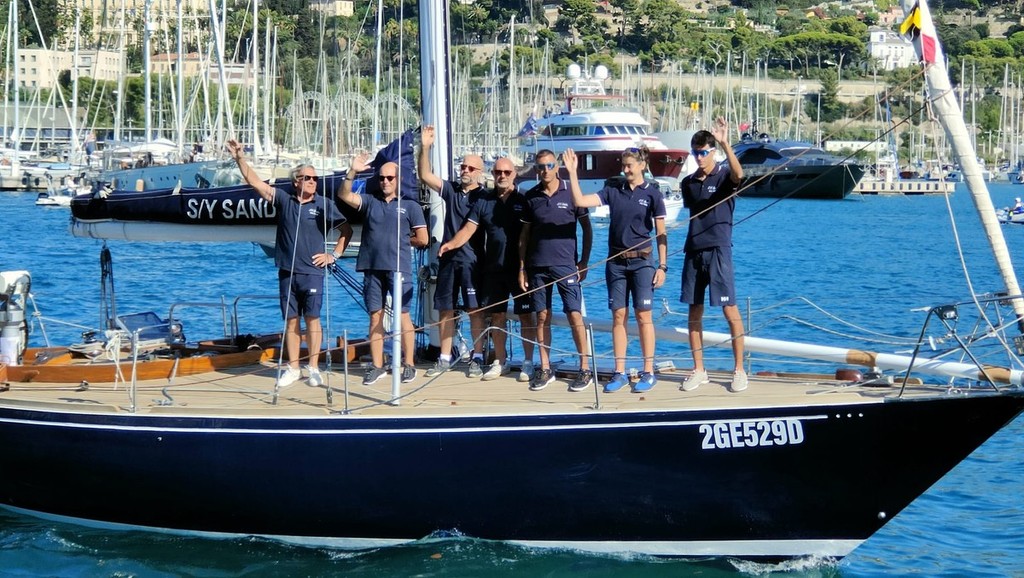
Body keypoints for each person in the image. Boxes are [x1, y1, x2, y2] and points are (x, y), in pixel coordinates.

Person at [227, 139, 352, 388]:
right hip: (287, 271)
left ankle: (313, 367)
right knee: (291, 321)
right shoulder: (285, 201)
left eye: (315, 179)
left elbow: (346, 231)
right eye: (307, 178)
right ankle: (293, 367)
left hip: (313, 272)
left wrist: (333, 255)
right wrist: (240, 157)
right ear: (297, 181)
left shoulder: (324, 205)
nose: (312, 182)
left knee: (313, 320)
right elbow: (255, 183)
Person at [565, 147, 667, 393]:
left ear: (641, 164)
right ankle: (619, 372)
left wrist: (662, 266)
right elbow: (581, 201)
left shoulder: (653, 194)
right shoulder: (613, 191)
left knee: (644, 315)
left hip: (643, 262)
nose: (626, 169)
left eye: (630, 165)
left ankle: (648, 371)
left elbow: (661, 233)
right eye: (624, 165)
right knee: (618, 316)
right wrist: (572, 173)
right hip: (616, 264)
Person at [439, 157, 537, 381]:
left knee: (525, 316)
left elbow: (530, 235)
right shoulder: (484, 201)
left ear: (514, 174)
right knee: (497, 316)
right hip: (493, 268)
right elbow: (469, 229)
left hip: (519, 269)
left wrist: (527, 266)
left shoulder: (523, 201)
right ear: (492, 174)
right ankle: (499, 361)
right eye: (497, 172)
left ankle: (529, 362)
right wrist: (451, 244)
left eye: (506, 172)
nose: (502, 176)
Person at [337, 156, 428, 385]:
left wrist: (402, 241)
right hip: (372, 268)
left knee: (403, 315)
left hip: (399, 269)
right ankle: (377, 366)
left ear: (398, 180)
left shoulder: (410, 207)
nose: (385, 181)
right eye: (382, 178)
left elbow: (423, 238)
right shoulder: (369, 201)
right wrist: (352, 172)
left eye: (390, 178)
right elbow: (344, 195)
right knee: (374, 316)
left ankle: (409, 364)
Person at [678, 117, 747, 393]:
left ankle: (739, 369)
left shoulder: (723, 176)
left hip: (719, 249)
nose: (699, 157)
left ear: (713, 152)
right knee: (694, 311)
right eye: (695, 152)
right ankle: (699, 369)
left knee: (730, 309)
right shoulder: (688, 183)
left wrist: (726, 143)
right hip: (693, 249)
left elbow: (739, 176)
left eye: (704, 152)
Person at [518, 149, 593, 392]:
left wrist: (584, 260)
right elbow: (524, 237)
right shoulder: (531, 197)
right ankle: (546, 367)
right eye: (541, 167)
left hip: (566, 265)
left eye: (549, 165)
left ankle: (584, 367)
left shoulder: (571, 192)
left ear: (557, 166)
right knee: (542, 316)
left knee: (574, 315)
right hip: (537, 266)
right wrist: (522, 268)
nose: (545, 170)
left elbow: (587, 229)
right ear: (536, 169)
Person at [418, 125, 488, 378]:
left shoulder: (485, 197)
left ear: (479, 172)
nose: (465, 171)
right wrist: (425, 147)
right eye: (463, 167)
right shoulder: (451, 190)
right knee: (445, 308)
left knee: (474, 309)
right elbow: (425, 174)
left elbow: (474, 228)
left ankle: (478, 357)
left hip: (472, 260)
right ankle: (445, 357)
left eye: (470, 168)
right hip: (448, 259)